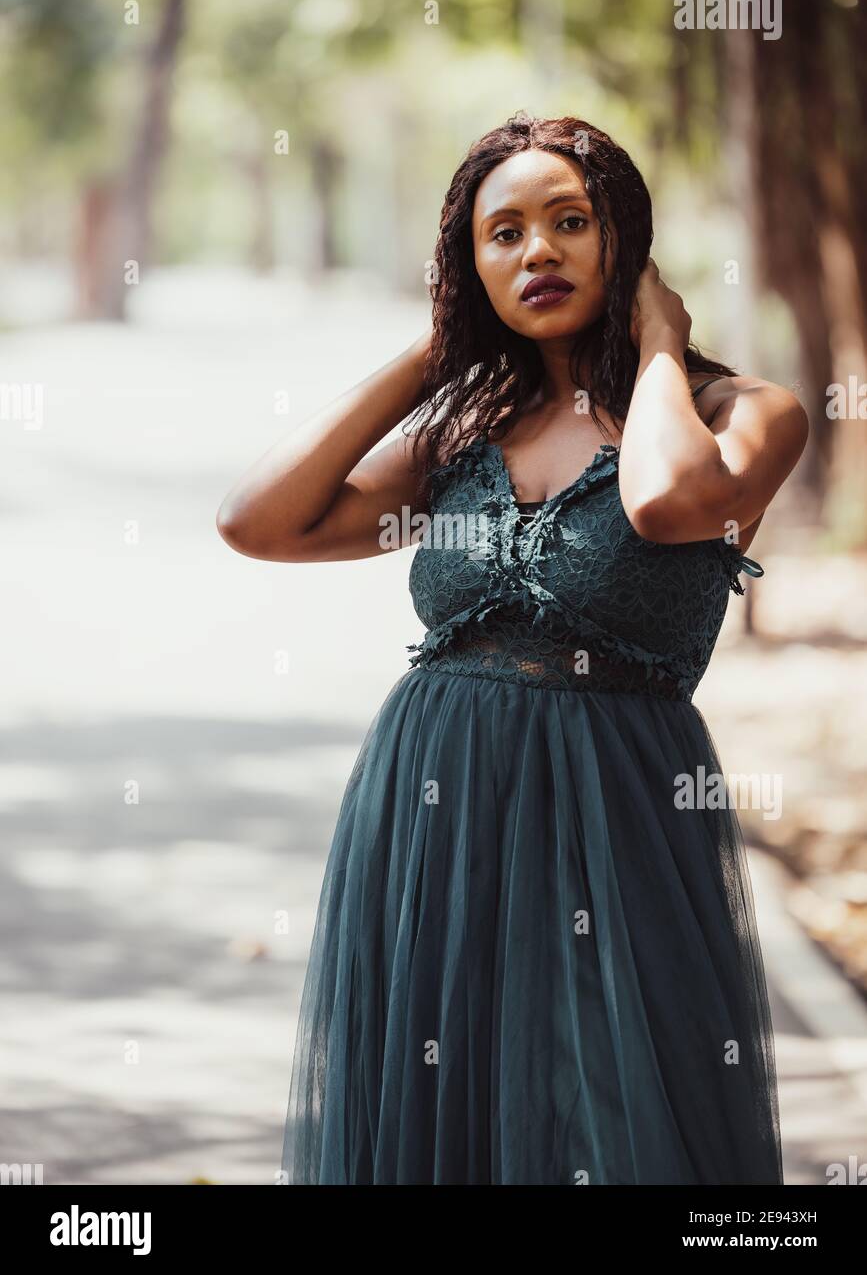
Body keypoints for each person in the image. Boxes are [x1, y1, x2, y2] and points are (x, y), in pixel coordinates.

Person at [217, 114, 808, 1185]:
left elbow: (672, 500)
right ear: (469, 266)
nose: (537, 251)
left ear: (625, 242)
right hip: (433, 809)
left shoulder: (746, 415)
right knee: (452, 1117)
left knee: (616, 1114)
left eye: (570, 222)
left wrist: (662, 347)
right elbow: (259, 522)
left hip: (621, 817)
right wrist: (431, 352)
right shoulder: (459, 442)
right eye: (503, 234)